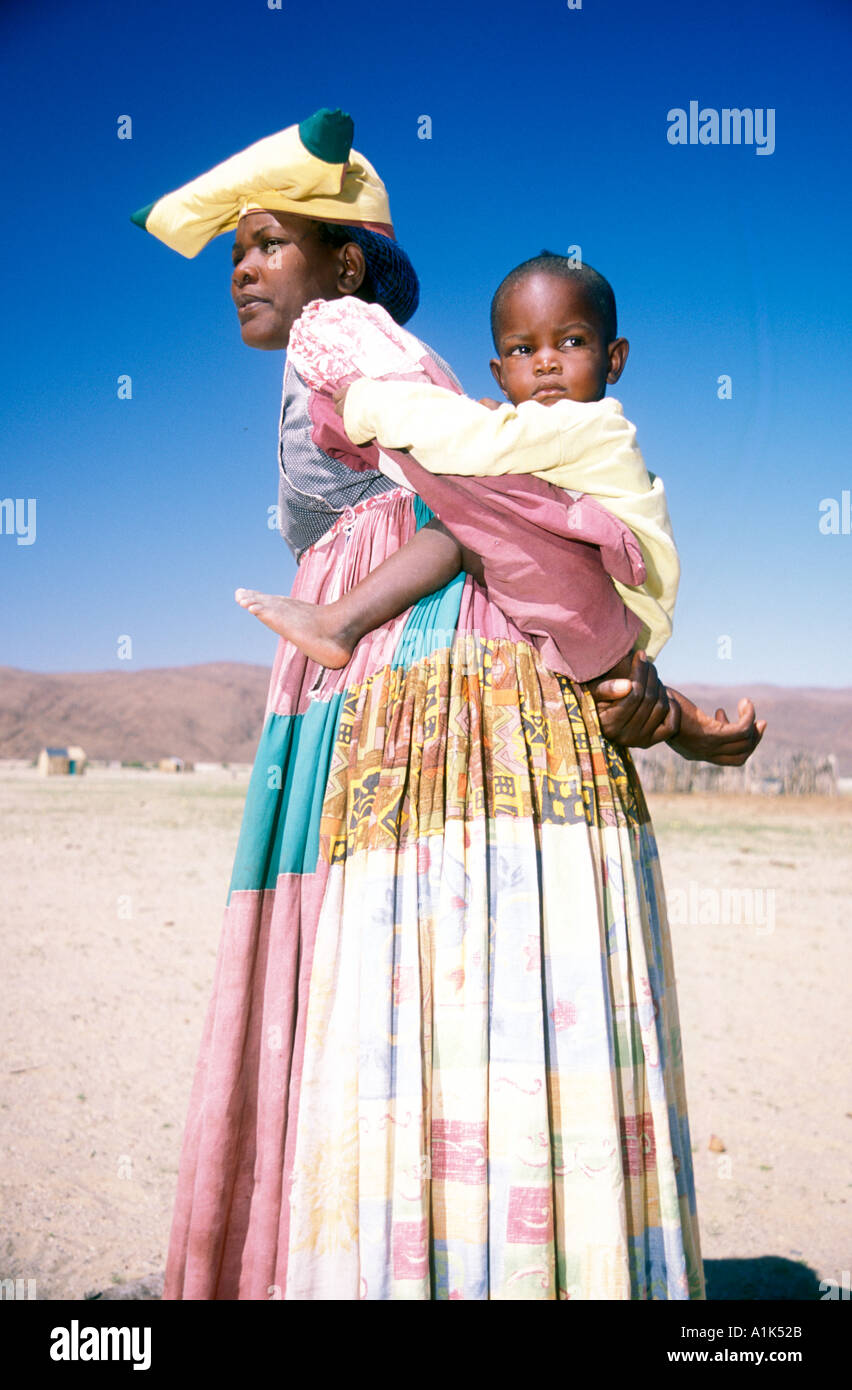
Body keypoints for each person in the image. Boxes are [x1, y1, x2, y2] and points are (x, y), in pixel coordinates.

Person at [132, 106, 757, 1300]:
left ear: (345, 260)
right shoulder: (371, 359)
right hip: (412, 641)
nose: (246, 271)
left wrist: (647, 689)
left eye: (266, 243)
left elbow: (484, 493)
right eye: (234, 252)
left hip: (435, 661)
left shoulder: (343, 333)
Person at [235, 256, 764, 765]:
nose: (547, 361)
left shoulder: (590, 425)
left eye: (572, 341)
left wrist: (363, 402)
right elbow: (501, 448)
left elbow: (475, 441)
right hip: (611, 594)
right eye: (521, 350)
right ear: (499, 372)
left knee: (471, 514)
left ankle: (685, 720)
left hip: (617, 590)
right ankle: (337, 623)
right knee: (464, 520)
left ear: (615, 358)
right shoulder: (545, 436)